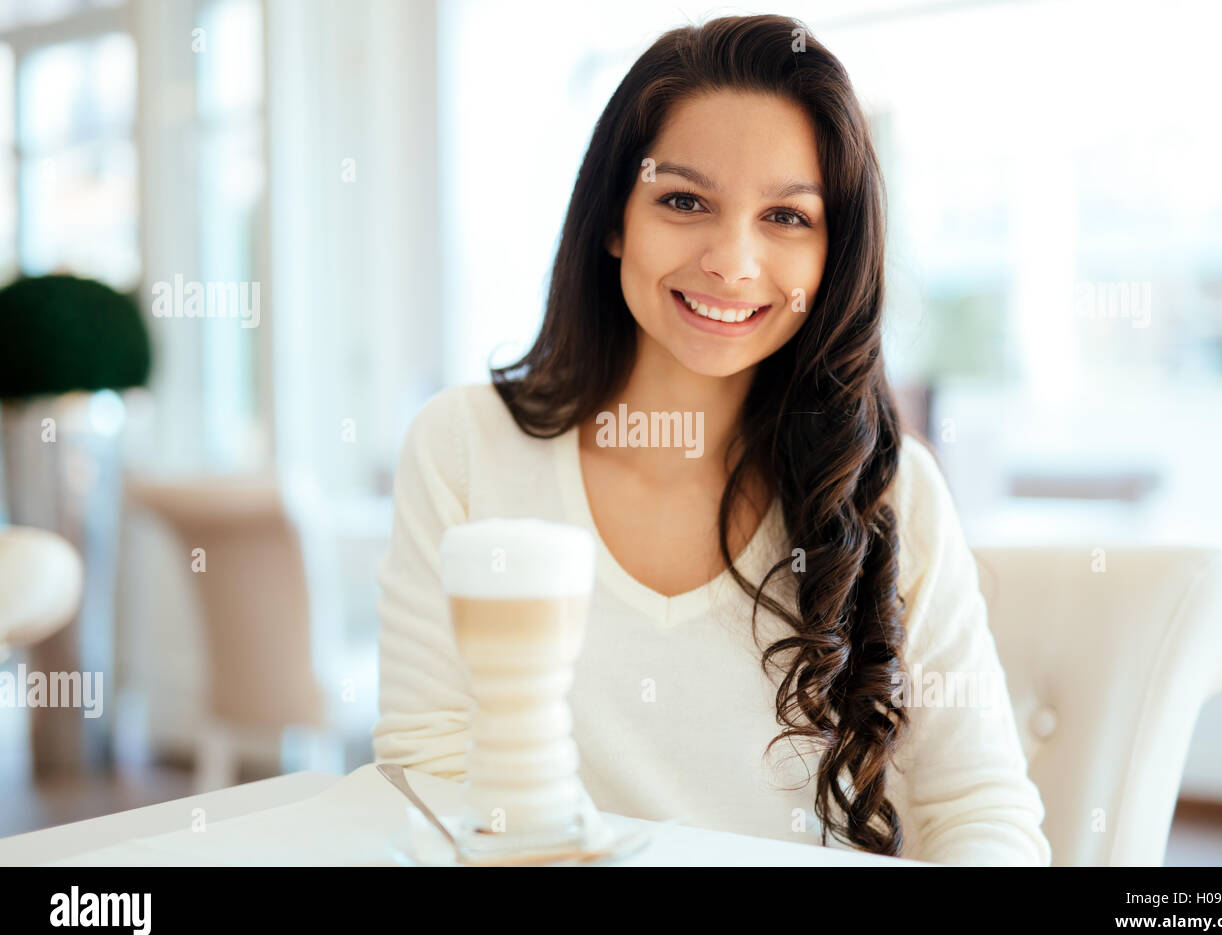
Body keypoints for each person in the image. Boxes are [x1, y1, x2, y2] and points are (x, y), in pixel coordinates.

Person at [373, 13, 1050, 865]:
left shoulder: (891, 488)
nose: (731, 262)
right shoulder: (464, 447)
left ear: (832, 256)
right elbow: (425, 774)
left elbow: (979, 809)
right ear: (614, 219)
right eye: (684, 201)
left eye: (786, 217)